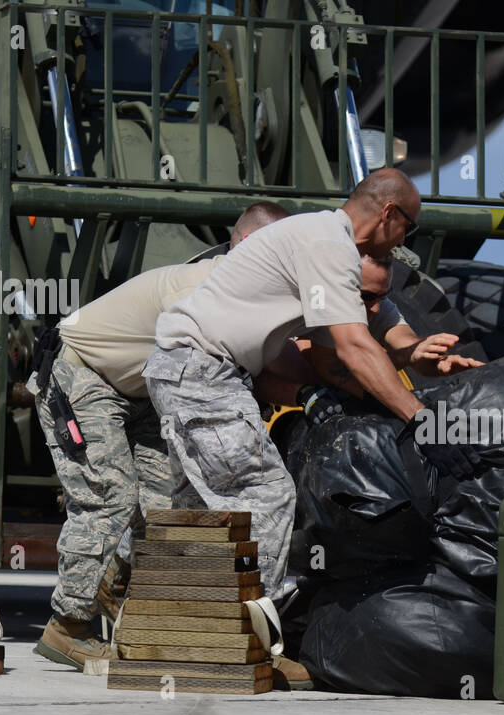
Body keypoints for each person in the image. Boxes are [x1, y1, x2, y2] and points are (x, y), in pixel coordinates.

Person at [143, 169, 479, 608]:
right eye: (408, 227)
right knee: (268, 495)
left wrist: (414, 359)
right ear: (388, 212)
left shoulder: (320, 240)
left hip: (187, 369)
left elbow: (333, 366)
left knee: (194, 509)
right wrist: (421, 420)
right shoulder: (328, 245)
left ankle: (170, 628)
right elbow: (356, 347)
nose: (404, 241)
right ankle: (259, 635)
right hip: (202, 371)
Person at [32, 202, 291, 671]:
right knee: (109, 496)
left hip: (141, 392)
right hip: (81, 376)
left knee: (167, 506)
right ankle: (67, 625)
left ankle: (112, 586)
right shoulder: (204, 288)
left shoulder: (242, 291)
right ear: (251, 246)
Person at [254, 254, 484, 412]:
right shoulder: (298, 303)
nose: (375, 308)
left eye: (383, 296)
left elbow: (406, 343)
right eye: (365, 296)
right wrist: (404, 357)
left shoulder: (378, 307)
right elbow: (324, 370)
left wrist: (429, 359)